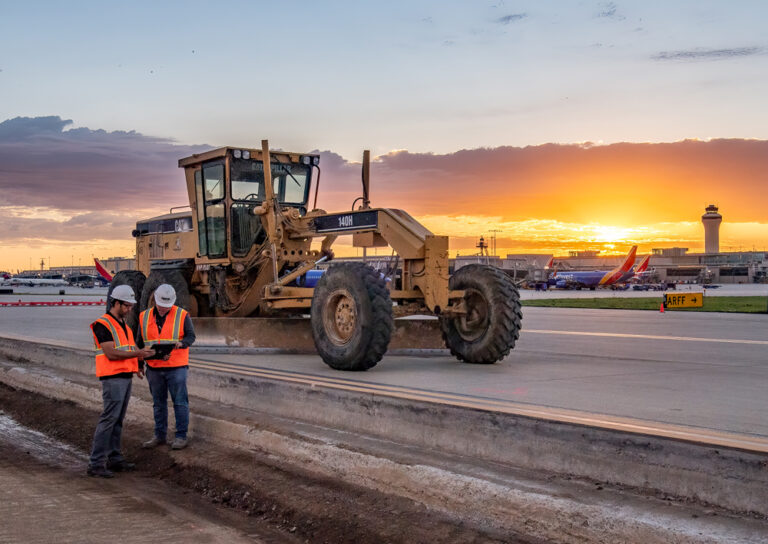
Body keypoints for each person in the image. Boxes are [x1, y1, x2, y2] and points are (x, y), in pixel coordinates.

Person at [88, 285, 155, 478]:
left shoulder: (123, 326)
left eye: (131, 306)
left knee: (117, 420)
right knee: (109, 419)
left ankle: (114, 458)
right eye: (126, 305)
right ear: (115, 302)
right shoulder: (102, 324)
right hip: (112, 378)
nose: (129, 309)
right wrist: (138, 353)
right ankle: (96, 463)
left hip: (125, 377)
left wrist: (139, 363)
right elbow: (111, 353)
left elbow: (130, 348)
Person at [137, 283, 196, 450]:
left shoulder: (182, 315)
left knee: (180, 402)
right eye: (161, 306)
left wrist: (182, 343)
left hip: (176, 367)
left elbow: (191, 336)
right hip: (154, 368)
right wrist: (139, 363)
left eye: (167, 307)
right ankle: (159, 435)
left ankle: (180, 436)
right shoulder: (144, 317)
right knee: (158, 403)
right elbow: (140, 342)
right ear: (155, 301)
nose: (163, 309)